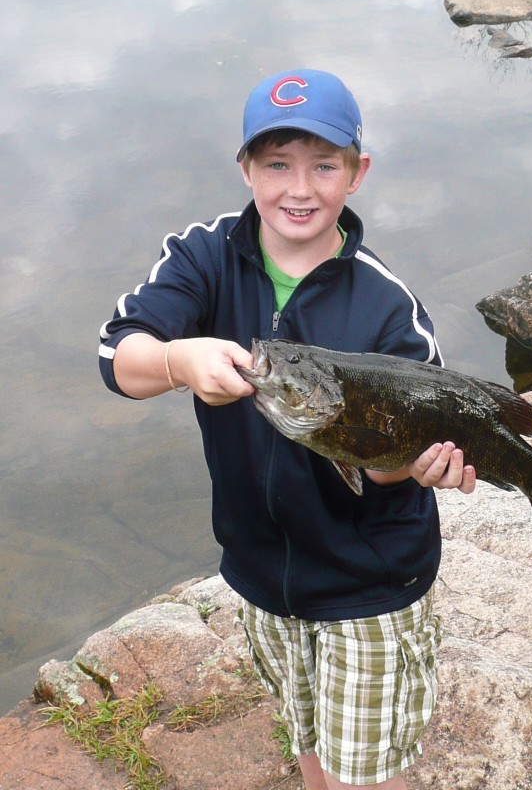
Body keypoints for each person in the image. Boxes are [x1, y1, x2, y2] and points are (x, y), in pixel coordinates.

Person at [99, 68, 476, 790]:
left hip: (372, 587)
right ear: (244, 167)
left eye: (323, 165)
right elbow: (119, 355)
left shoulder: (386, 307)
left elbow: (394, 466)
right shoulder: (205, 256)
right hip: (263, 577)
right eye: (276, 164)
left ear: (357, 173)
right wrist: (179, 359)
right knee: (307, 741)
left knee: (367, 772)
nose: (298, 189)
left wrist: (415, 464)